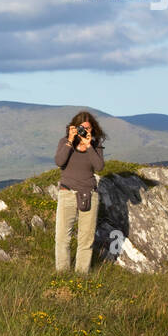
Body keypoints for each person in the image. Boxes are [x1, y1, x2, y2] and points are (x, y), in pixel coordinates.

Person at [54, 110, 106, 273]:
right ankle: (62, 274)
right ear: (74, 128)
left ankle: (81, 276)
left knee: (86, 238)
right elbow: (59, 162)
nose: (84, 131)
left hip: (89, 194)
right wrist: (70, 140)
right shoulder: (65, 142)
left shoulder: (96, 145)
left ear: (93, 129)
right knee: (62, 237)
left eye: (88, 128)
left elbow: (99, 167)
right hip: (67, 193)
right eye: (81, 128)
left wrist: (89, 145)